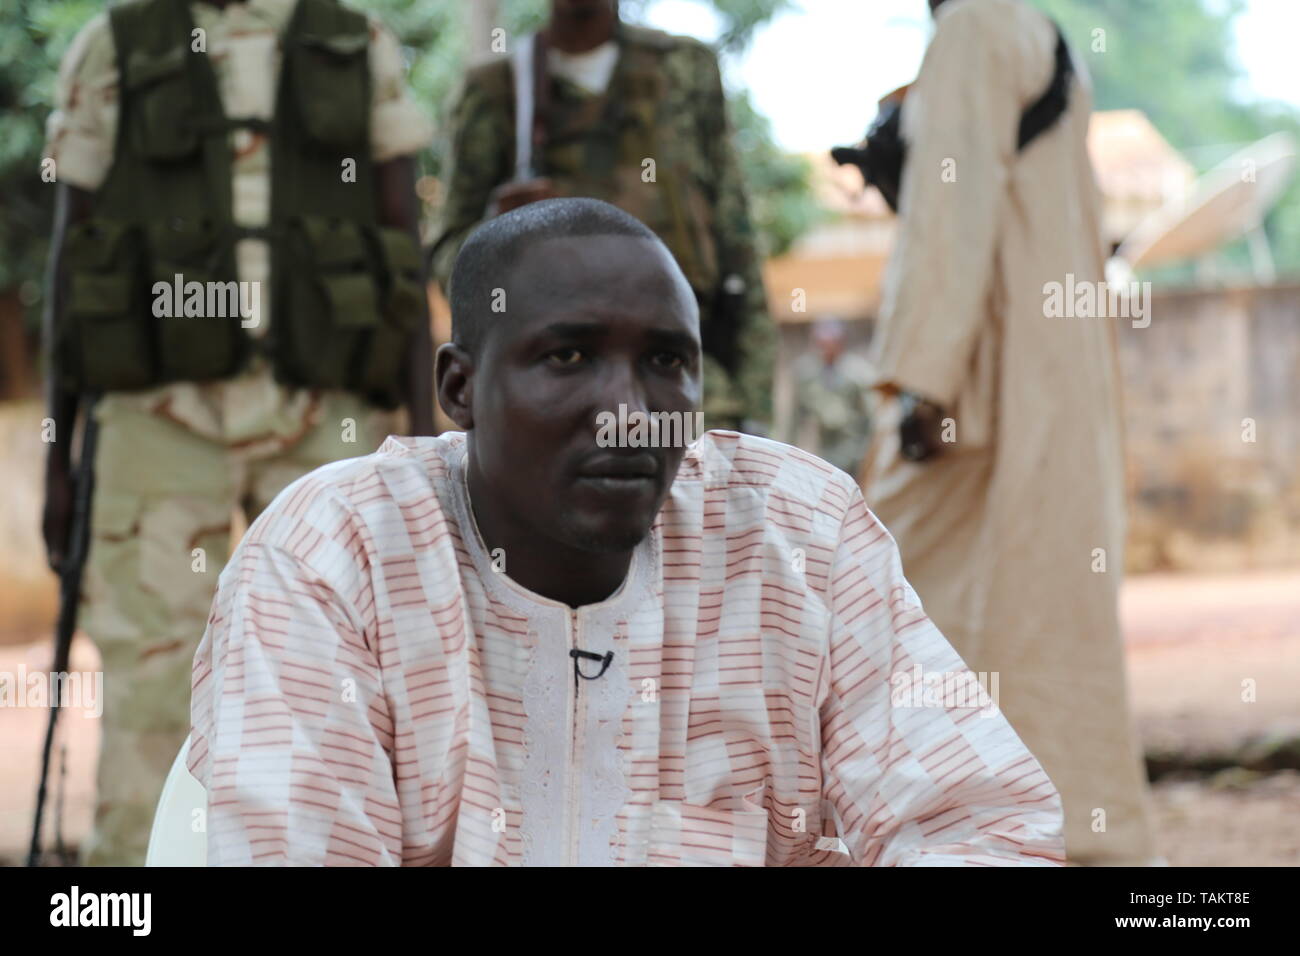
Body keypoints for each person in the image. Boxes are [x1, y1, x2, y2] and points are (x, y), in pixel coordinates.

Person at [188, 197, 1064, 866]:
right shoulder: (338, 553)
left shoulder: (798, 533)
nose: (629, 415)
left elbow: (979, 826)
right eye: (567, 357)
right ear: (459, 390)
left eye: (665, 363)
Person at [40, 0, 434, 866]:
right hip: (155, 416)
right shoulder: (114, 45)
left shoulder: (354, 40)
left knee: (341, 697)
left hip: (322, 411)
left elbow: (403, 241)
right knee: (152, 700)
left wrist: (433, 440)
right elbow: (73, 254)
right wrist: (56, 456)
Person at [858, 0, 1156, 864]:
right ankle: (1080, 833)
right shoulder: (1031, 26)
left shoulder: (978, 24)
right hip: (1041, 373)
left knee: (891, 599)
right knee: (1040, 614)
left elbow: (953, 206)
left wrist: (922, 377)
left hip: (975, 385)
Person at [430, 0, 773, 434]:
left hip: (687, 379)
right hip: (558, 386)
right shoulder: (497, 90)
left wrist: (756, 403)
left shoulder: (685, 69)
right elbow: (446, 257)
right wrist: (498, 234)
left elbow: (736, 235)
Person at [783, 317, 875, 476]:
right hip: (825, 449)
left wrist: (866, 452)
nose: (824, 349)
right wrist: (787, 451)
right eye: (820, 344)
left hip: (854, 448)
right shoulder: (807, 373)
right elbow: (795, 418)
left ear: (840, 343)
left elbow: (870, 416)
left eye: (829, 343)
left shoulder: (858, 373)